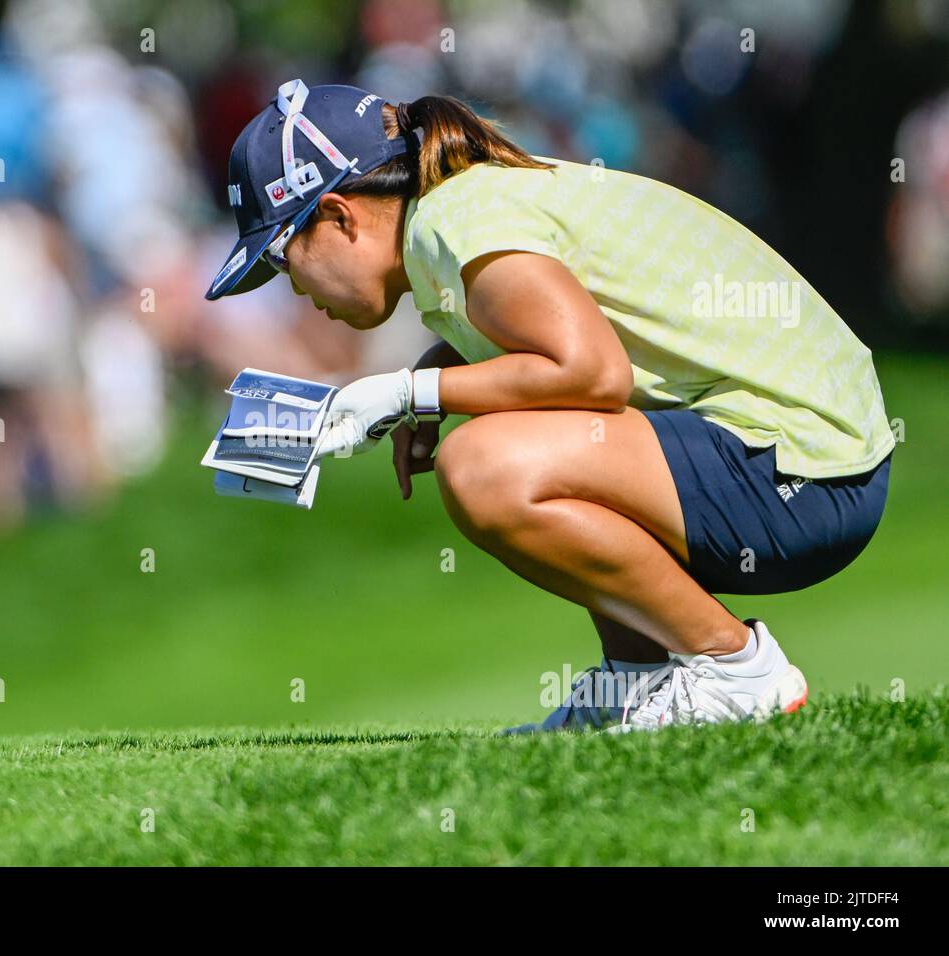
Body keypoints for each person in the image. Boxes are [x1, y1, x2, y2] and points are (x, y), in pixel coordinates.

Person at [204, 80, 895, 732]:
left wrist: (403, 393)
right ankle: (636, 679)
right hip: (806, 460)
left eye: (284, 258)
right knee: (520, 437)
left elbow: (591, 374)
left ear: (337, 215)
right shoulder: (458, 213)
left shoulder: (456, 224)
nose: (292, 289)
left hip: (806, 472)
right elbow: (538, 333)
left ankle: (735, 668)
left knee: (484, 466)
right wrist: (425, 388)